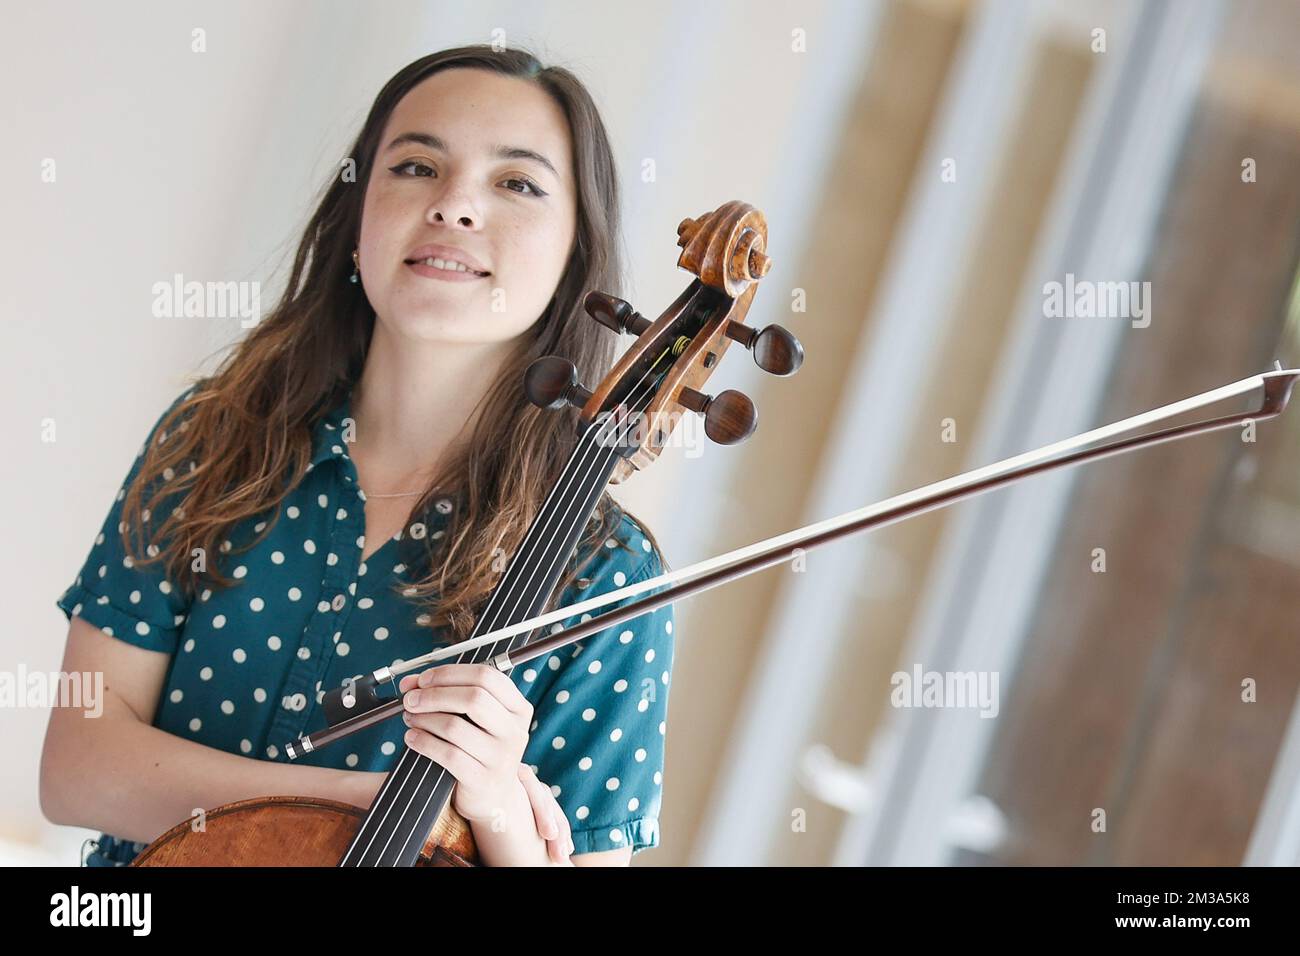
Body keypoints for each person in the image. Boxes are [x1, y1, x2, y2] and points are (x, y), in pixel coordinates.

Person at [39, 45, 675, 868]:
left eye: (516, 183)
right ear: (356, 219)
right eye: (416, 166)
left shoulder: (605, 575)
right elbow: (77, 768)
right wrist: (347, 805)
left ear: (573, 258)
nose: (454, 206)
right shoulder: (212, 439)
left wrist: (491, 813)